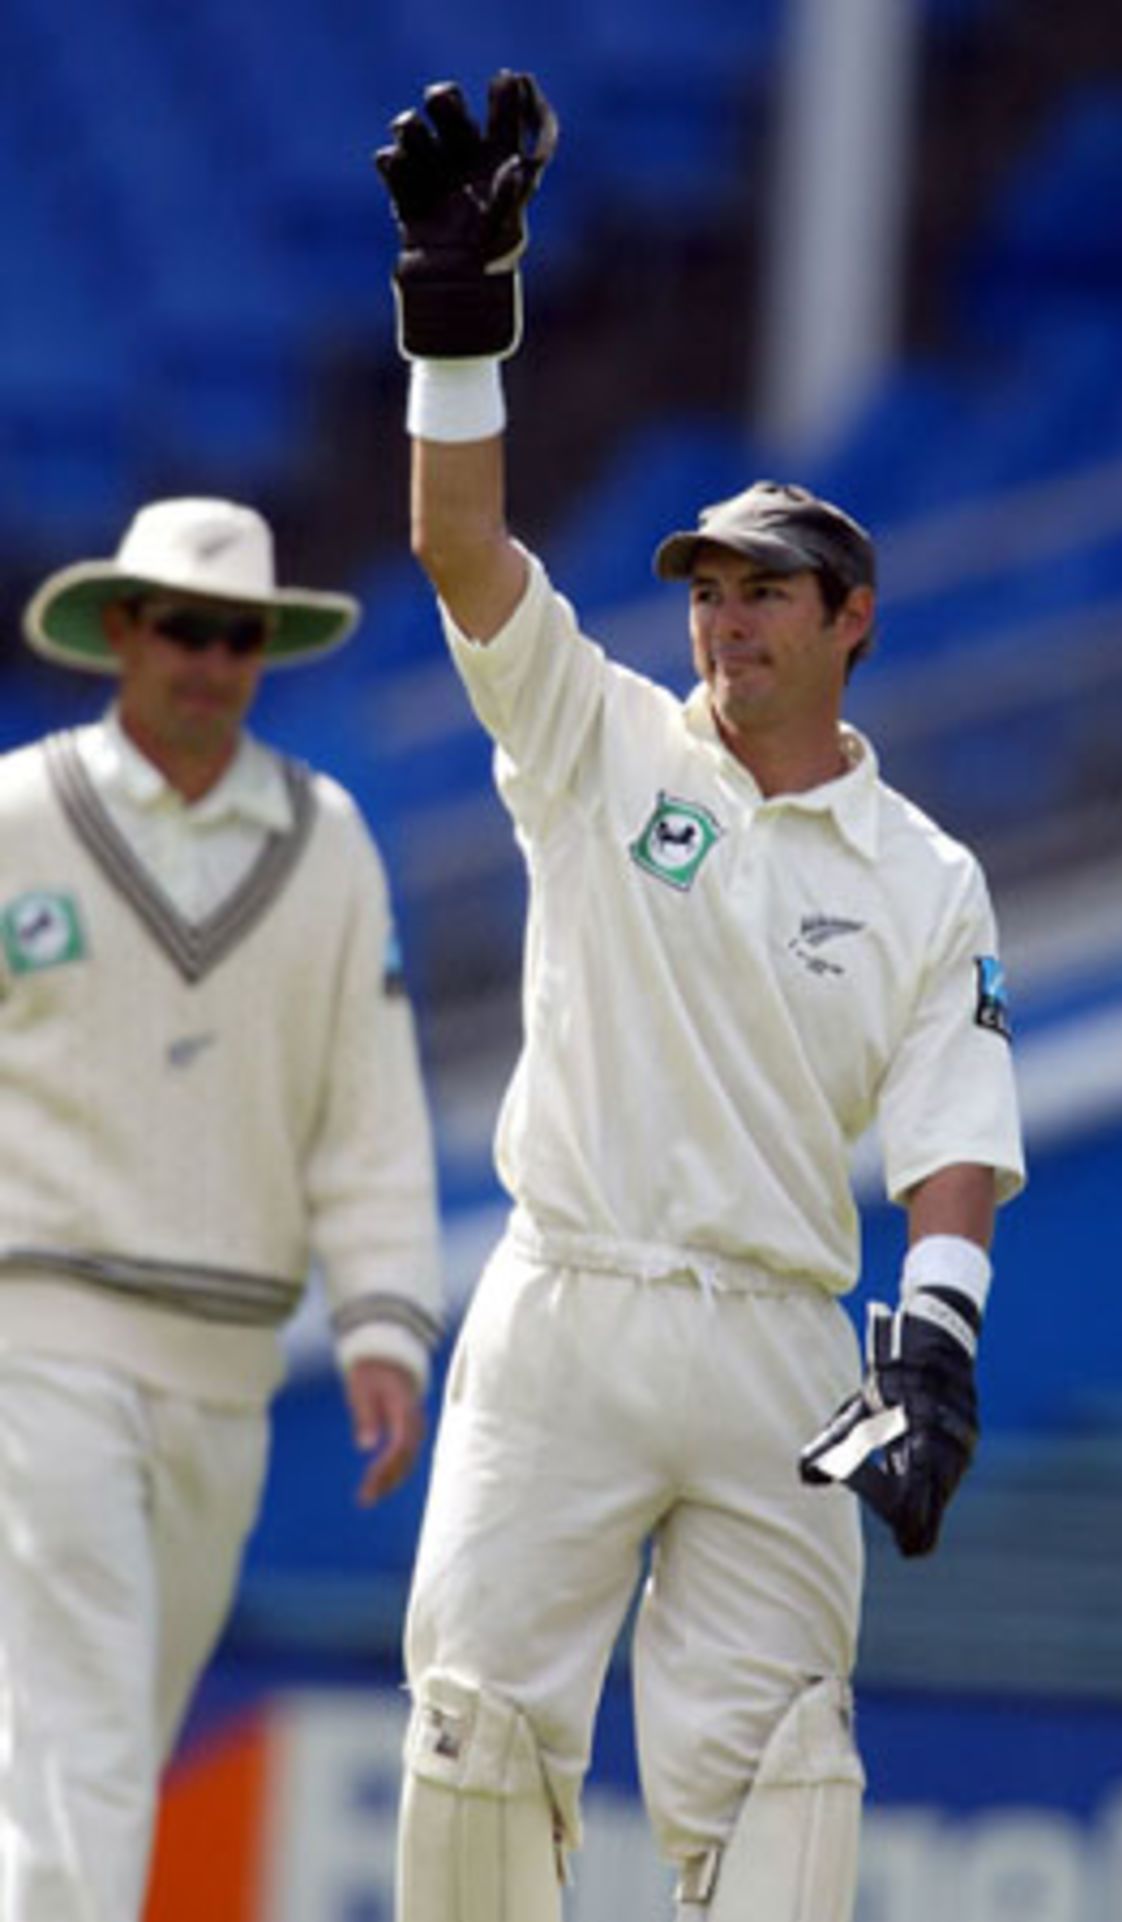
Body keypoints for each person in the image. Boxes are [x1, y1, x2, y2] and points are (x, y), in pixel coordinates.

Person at [375, 73, 1025, 1922]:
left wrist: (943, 1344)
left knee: (786, 1786)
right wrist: (456, 323)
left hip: (775, 1343)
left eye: (767, 594)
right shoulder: (600, 748)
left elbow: (953, 1136)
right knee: (478, 1744)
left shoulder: (927, 874)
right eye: (707, 593)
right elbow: (462, 553)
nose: (725, 623)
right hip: (566, 1304)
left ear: (853, 618)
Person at [0, 496, 444, 1922]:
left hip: (229, 1368)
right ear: (121, 629)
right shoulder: (17, 817)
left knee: (110, 1720)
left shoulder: (328, 843)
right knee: (85, 1737)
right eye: (183, 627)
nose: (207, 658)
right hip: (39, 1338)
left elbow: (367, 1099)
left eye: (236, 633)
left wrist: (384, 1316)